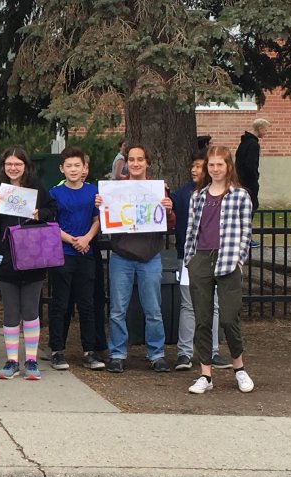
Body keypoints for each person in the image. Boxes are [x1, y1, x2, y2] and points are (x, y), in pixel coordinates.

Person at [183, 145, 255, 395]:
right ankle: (205, 374)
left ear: (228, 167)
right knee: (202, 319)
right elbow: (192, 230)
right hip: (201, 259)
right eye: (210, 165)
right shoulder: (198, 197)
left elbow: (246, 232)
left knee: (227, 318)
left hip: (228, 260)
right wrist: (189, 259)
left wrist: (239, 260)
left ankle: (239, 368)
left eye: (219, 165)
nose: (215, 169)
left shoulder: (240, 196)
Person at [98, 145, 174, 374]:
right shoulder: (115, 190)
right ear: (126, 162)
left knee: (153, 309)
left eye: (140, 159)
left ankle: (157, 354)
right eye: (132, 159)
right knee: (118, 309)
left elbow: (170, 225)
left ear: (147, 162)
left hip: (150, 257)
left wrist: (169, 210)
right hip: (121, 256)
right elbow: (105, 219)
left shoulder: (159, 190)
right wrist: (101, 206)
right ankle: (118, 353)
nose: (136, 163)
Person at [0, 146, 55, 380]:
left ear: (25, 166)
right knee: (11, 312)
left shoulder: (36, 188)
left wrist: (38, 214)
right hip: (8, 258)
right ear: (3, 167)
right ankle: (12, 361)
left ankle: (32, 361)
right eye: (9, 164)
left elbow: (51, 211)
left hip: (33, 256)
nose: (13, 168)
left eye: (18, 164)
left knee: (30, 311)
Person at [47, 146, 104, 372]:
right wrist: (73, 240)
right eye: (68, 166)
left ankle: (89, 351)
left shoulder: (94, 192)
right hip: (63, 253)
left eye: (77, 165)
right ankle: (57, 350)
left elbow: (98, 219)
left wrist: (87, 238)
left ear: (84, 168)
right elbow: (52, 224)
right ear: (62, 169)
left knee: (87, 303)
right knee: (60, 303)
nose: (73, 169)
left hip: (86, 253)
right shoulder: (55, 193)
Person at [171, 152, 222, 371]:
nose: (195, 170)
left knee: (215, 305)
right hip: (189, 257)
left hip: (215, 257)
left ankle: (213, 351)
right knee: (188, 305)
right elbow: (169, 210)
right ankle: (184, 353)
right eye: (193, 166)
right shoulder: (183, 193)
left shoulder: (221, 194)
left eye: (200, 166)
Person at [235, 118, 270, 211]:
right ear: (260, 128)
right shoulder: (253, 145)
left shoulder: (244, 143)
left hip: (240, 180)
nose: (266, 132)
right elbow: (251, 165)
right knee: (251, 208)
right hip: (249, 183)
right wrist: (255, 178)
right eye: (266, 130)